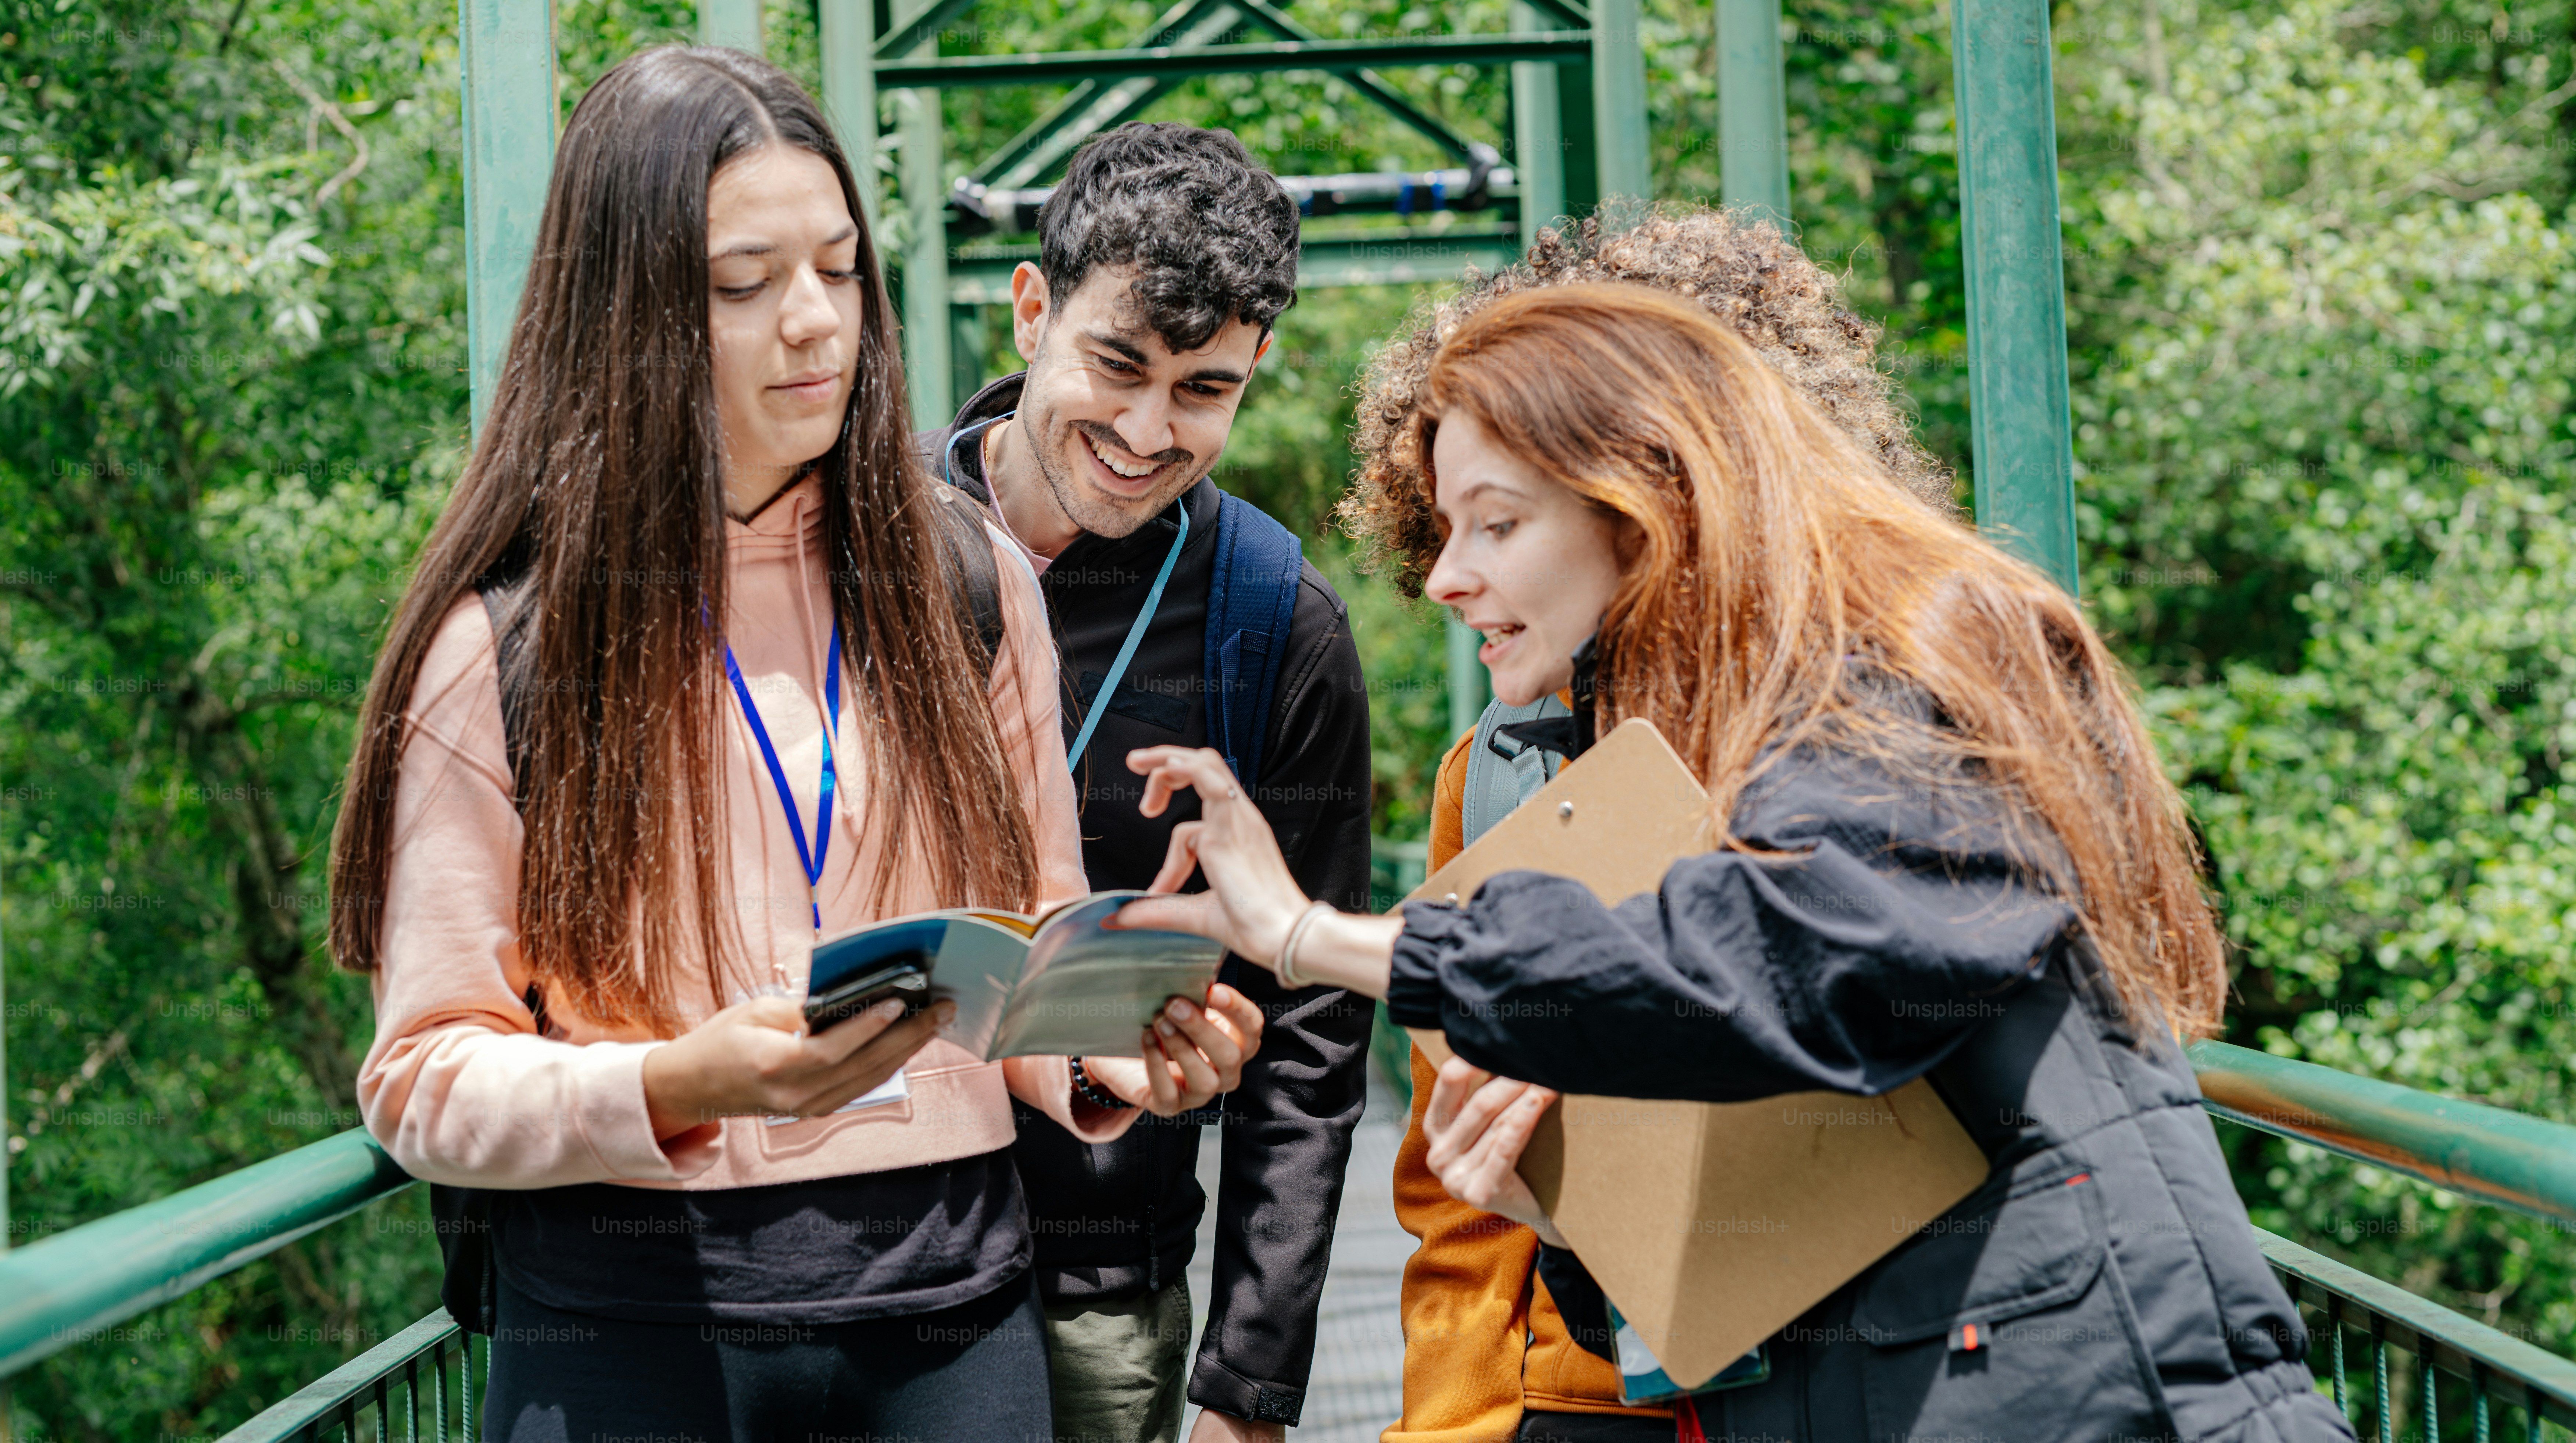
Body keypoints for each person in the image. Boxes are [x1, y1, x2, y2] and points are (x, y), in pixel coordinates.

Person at [1118, 282, 2357, 1443]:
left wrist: (1307, 935)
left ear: (1652, 499)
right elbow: (1773, 1227)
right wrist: (1567, 1214)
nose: (1446, 578)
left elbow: (1774, 956)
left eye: (1496, 523)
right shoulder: (1728, 732)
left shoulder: (1905, 661)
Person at [329, 49, 1263, 1441]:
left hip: (954, 1317)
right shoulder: (506, 643)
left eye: (838, 266)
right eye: (743, 283)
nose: (817, 322)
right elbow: (422, 1075)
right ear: (627, 311)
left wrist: (1112, 1048)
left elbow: (1032, 925)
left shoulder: (970, 579)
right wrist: (676, 1082)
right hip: (629, 1327)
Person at [1344, 205, 1956, 1443]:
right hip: (1586, 1394)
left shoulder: (1865, 745)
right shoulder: (1497, 775)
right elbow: (1458, 1195)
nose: (1450, 576)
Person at [917, 121, 1375, 1443]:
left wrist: (1248, 1388)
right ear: (1029, 312)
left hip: (1095, 1291)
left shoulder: (1274, 621)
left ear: (1254, 373)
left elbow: (1312, 1033)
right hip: (846, 1253)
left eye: (1203, 391)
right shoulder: (854, 550)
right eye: (1117, 365)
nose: (1144, 429)